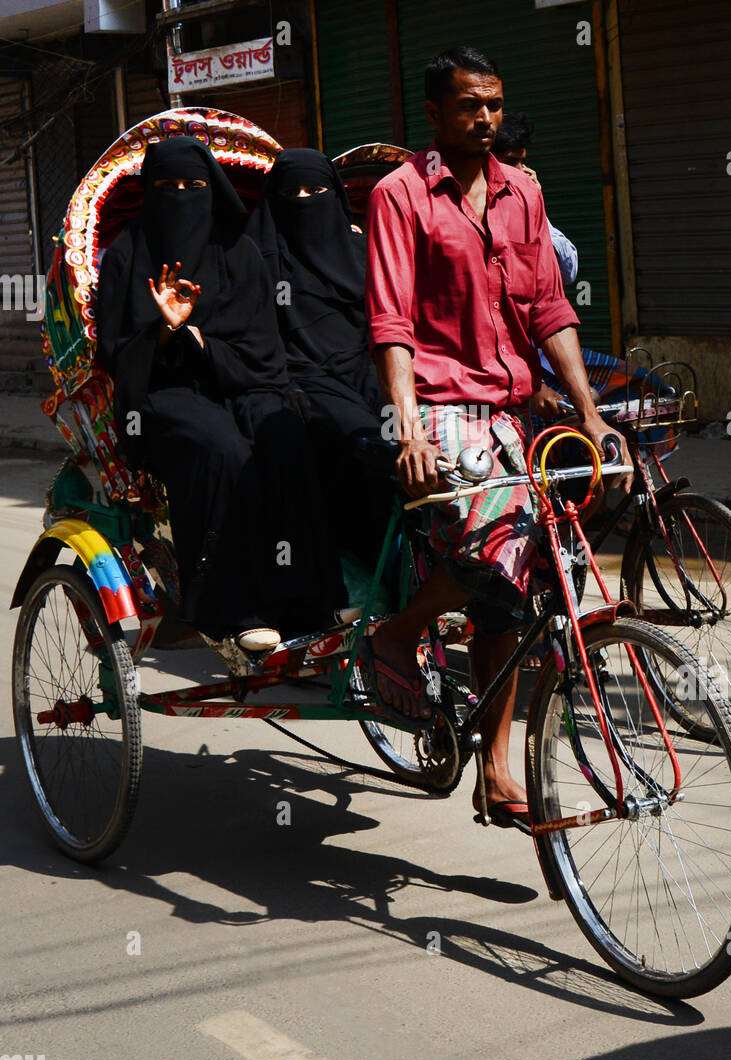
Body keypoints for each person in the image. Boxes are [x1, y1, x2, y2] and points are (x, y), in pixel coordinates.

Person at [364, 45, 629, 827]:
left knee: (525, 586)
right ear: (436, 114)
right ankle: (398, 632)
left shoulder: (523, 196)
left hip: (514, 405)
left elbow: (550, 310)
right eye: (470, 106)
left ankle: (497, 765)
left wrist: (588, 410)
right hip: (441, 405)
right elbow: (391, 321)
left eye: (494, 105)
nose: (487, 119)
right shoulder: (399, 194)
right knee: (493, 548)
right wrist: (407, 429)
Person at [96, 136, 344, 651]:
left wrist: (203, 341)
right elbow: (115, 355)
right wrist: (165, 333)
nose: (183, 197)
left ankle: (305, 599)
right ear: (150, 194)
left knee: (285, 439)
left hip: (243, 381)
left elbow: (261, 346)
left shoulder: (240, 252)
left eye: (194, 186)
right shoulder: (127, 254)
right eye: (168, 188)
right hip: (163, 391)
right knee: (222, 451)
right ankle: (233, 607)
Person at [245, 148, 394, 575]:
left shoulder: (363, 249)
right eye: (292, 192)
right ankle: (369, 566)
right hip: (304, 377)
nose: (305, 201)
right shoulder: (260, 258)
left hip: (369, 367)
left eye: (316, 190)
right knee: (366, 443)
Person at [492, 112, 578, 287]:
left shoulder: (526, 199)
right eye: (511, 162)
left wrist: (533, 207)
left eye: (521, 162)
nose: (521, 171)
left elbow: (568, 270)